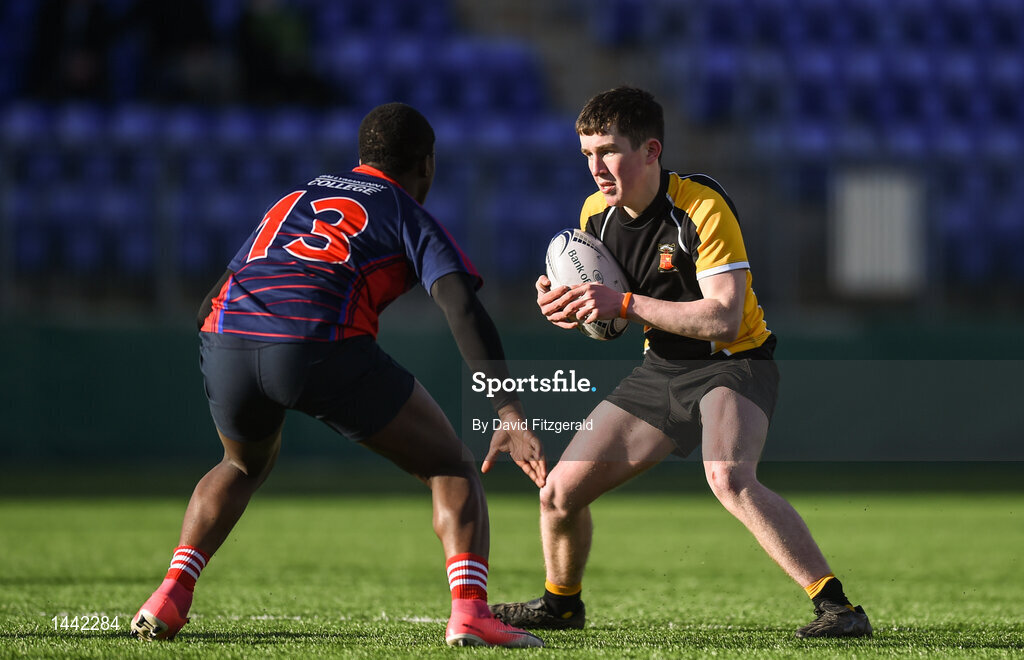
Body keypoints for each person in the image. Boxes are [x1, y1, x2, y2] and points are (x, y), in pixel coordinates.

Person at [129, 103, 546, 648]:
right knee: (449, 465)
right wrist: (508, 410)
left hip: (227, 335)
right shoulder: (404, 211)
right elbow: (460, 305)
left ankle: (168, 596)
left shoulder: (292, 199)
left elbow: (214, 294)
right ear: (427, 166)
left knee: (239, 463)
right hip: (314, 342)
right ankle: (470, 613)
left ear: (363, 156)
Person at [490, 87, 871, 639]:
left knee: (728, 476)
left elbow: (721, 317)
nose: (596, 167)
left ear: (650, 151)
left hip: (736, 362)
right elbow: (609, 324)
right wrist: (568, 306)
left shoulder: (700, 206)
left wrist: (618, 302)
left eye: (609, 151)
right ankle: (561, 604)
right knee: (558, 494)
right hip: (662, 368)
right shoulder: (595, 217)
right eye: (587, 154)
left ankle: (838, 608)